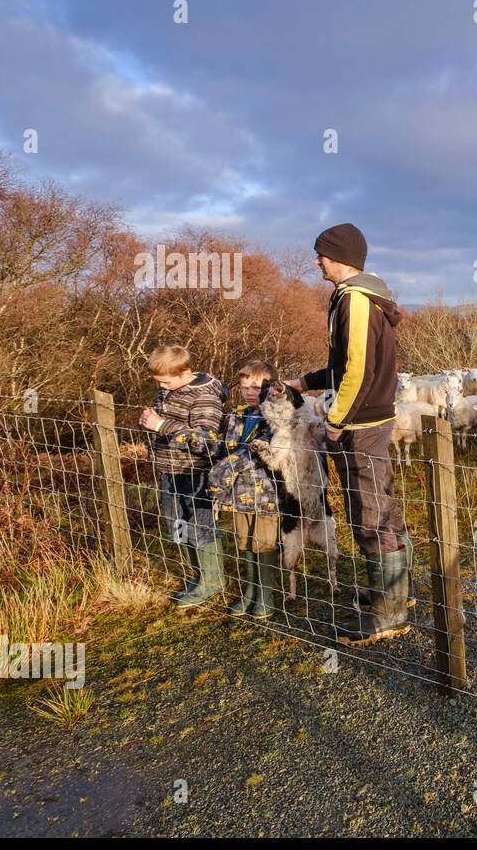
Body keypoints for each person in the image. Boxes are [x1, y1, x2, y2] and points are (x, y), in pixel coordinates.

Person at [284, 223, 412, 645]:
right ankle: (395, 592)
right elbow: (345, 365)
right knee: (384, 509)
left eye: (320, 253)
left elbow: (358, 369)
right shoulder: (365, 298)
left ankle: (388, 612)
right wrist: (305, 382)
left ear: (338, 255)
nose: (316, 260)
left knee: (369, 516)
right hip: (372, 415)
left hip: (360, 423)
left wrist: (336, 420)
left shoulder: (355, 301)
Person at [139, 343, 228, 607]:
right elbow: (166, 424)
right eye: (158, 383)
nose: (161, 387)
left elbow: (208, 441)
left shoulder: (205, 397)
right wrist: (150, 421)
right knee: (178, 526)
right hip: (169, 469)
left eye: (165, 383)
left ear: (184, 372)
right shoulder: (168, 388)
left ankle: (213, 581)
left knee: (200, 527)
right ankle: (198, 575)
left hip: (195, 472)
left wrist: (162, 425)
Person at [208, 360, 281, 618]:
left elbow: (260, 449)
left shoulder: (275, 415)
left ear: (271, 386)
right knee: (246, 541)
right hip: (238, 491)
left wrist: (225, 466)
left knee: (264, 541)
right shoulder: (238, 415)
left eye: (256, 386)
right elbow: (227, 446)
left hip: (266, 492)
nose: (250, 392)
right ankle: (250, 592)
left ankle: (266, 595)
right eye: (244, 387)